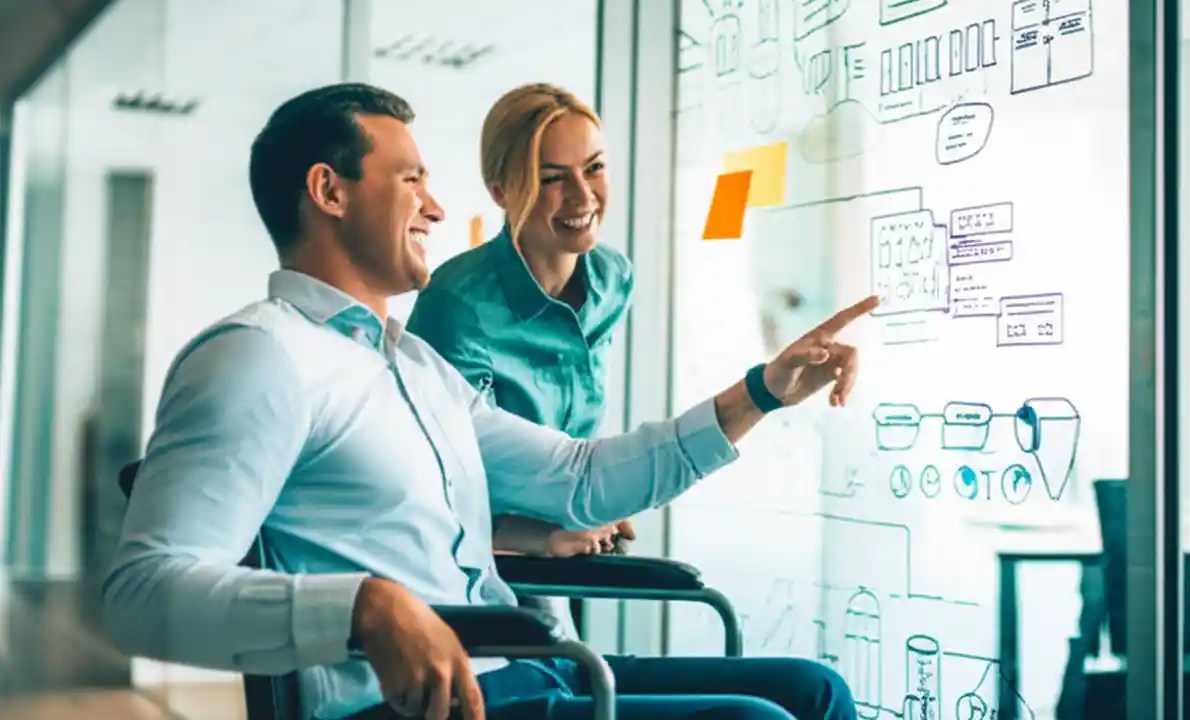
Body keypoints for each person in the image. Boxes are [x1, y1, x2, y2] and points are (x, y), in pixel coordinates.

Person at [101, 82, 878, 720]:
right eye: (411, 181)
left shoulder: (412, 366)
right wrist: (363, 608)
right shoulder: (259, 355)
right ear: (328, 191)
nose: (436, 209)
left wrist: (763, 393)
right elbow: (141, 594)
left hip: (526, 669)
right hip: (419, 705)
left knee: (813, 691)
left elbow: (580, 478)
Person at [405, 84, 633, 635]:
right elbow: (425, 474)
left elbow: (574, 427)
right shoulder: (458, 303)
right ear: (501, 191)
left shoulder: (612, 278)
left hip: (565, 536)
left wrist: (595, 498)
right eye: (552, 178)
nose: (582, 196)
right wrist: (535, 533)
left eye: (594, 168)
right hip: (481, 554)